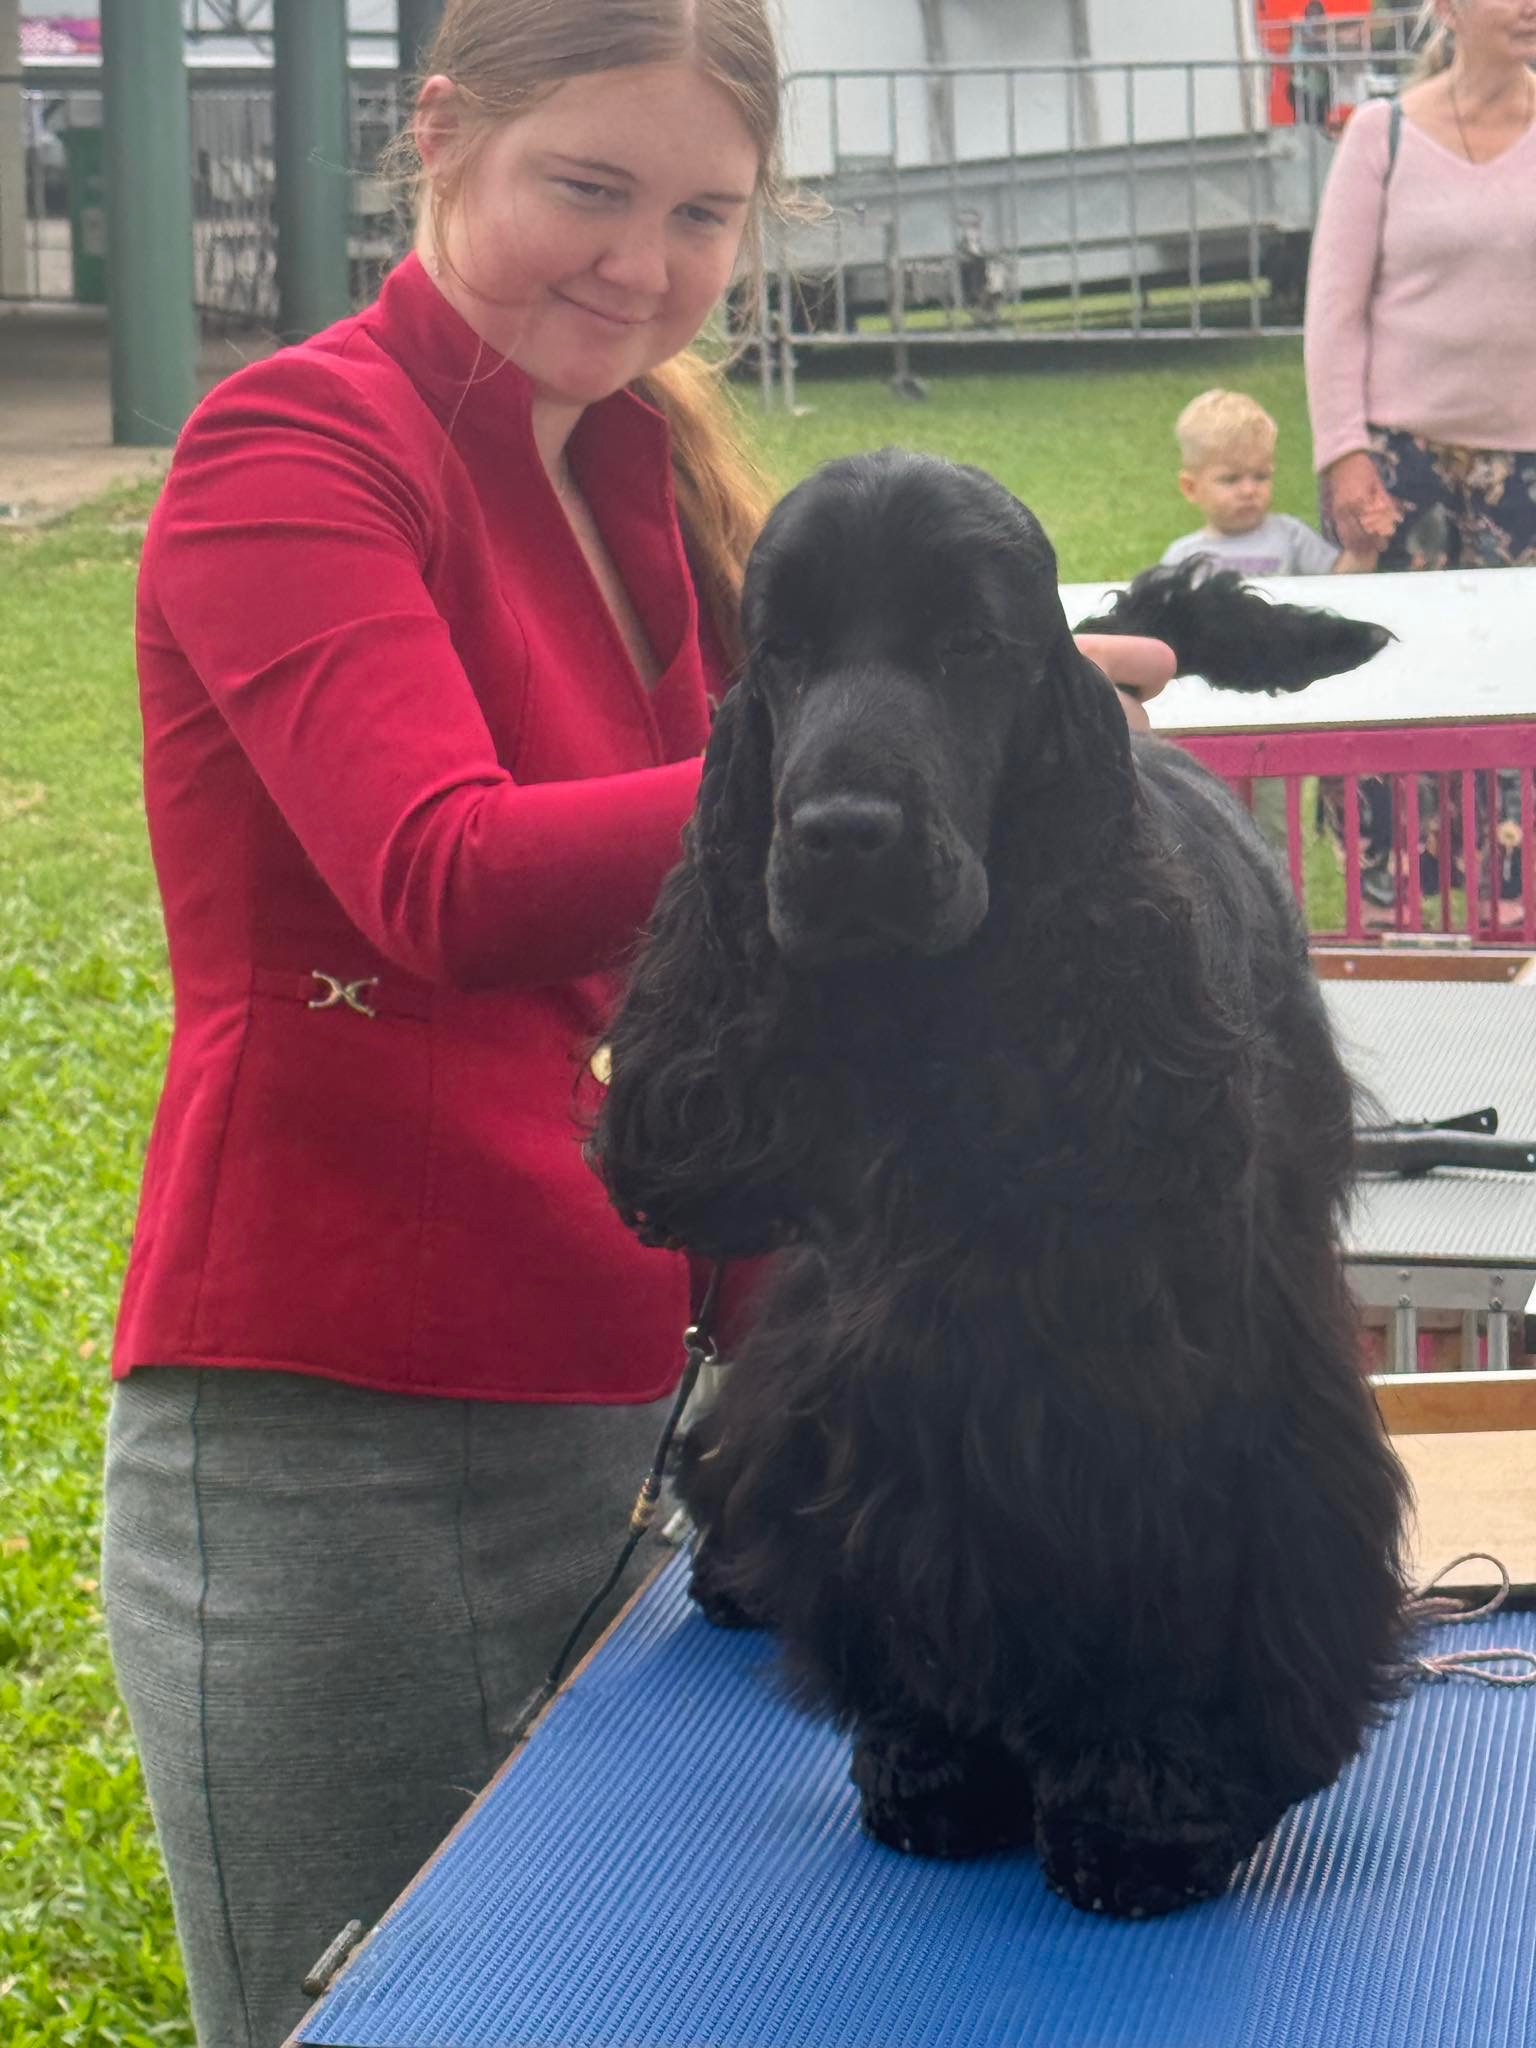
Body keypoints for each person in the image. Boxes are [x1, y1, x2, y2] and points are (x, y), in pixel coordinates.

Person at [99, 5, 1177, 2043]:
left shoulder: (651, 486)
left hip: (668, 1423)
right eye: (587, 188)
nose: (638, 263)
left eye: (701, 214)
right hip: (348, 1431)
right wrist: (881, 773)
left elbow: (760, 972)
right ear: (442, 134)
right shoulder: (290, 451)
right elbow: (442, 873)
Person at [1304, 0, 1536, 904]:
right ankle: (1394, 911)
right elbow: (1334, 310)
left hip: (1526, 475)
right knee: (1392, 682)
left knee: (1516, 685)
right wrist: (1344, 453)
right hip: (1398, 471)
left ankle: (1513, 909)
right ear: (1448, 7)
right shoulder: (1382, 135)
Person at [1161, 388, 1375, 578]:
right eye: (1231, 479)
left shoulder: (1291, 537)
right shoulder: (1182, 557)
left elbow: (1338, 582)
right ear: (1191, 488)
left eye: (1261, 476)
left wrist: (1364, 548)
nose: (1249, 490)